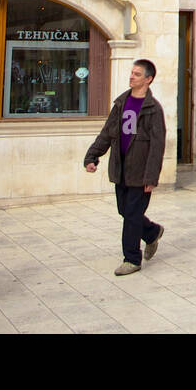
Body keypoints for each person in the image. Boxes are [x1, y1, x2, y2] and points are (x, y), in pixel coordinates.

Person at [84, 59, 167, 276]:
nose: (132, 77)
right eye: (131, 73)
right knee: (125, 210)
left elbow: (157, 146)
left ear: (148, 79)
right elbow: (107, 133)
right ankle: (151, 232)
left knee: (131, 215)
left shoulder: (153, 109)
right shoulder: (121, 103)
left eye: (137, 74)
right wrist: (92, 156)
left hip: (140, 173)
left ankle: (131, 259)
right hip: (120, 169)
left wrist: (151, 177)